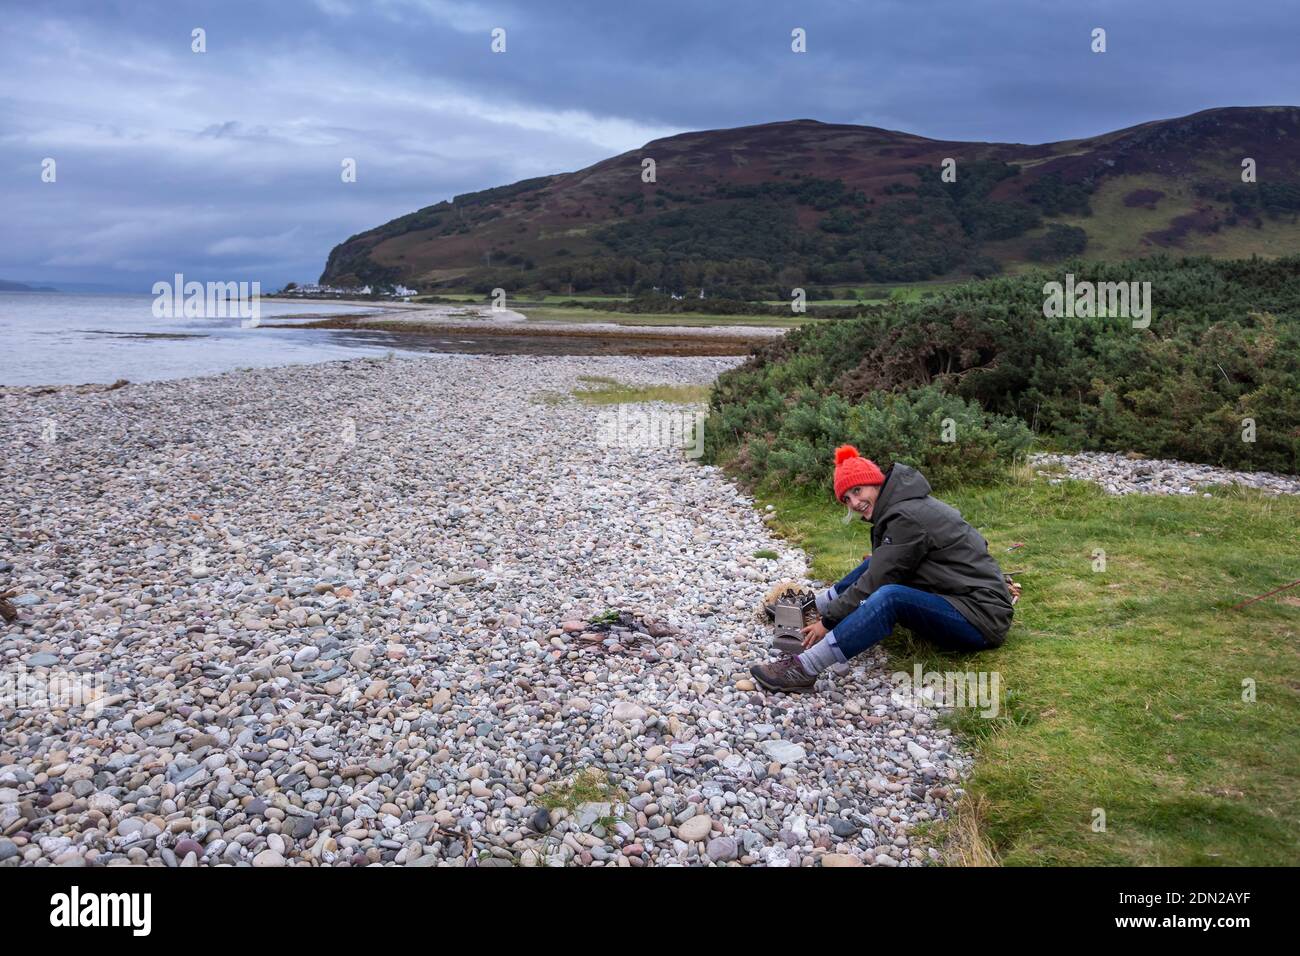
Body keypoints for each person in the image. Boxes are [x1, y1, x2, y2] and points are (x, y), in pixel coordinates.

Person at [750, 445, 1013, 693]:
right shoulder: (904, 505)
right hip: (961, 599)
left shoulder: (905, 516)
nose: (854, 502)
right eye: (846, 498)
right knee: (874, 563)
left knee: (890, 597)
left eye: (858, 490)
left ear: (875, 482)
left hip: (981, 619)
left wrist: (829, 623)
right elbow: (881, 567)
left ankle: (805, 668)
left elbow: (877, 581)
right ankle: (808, 611)